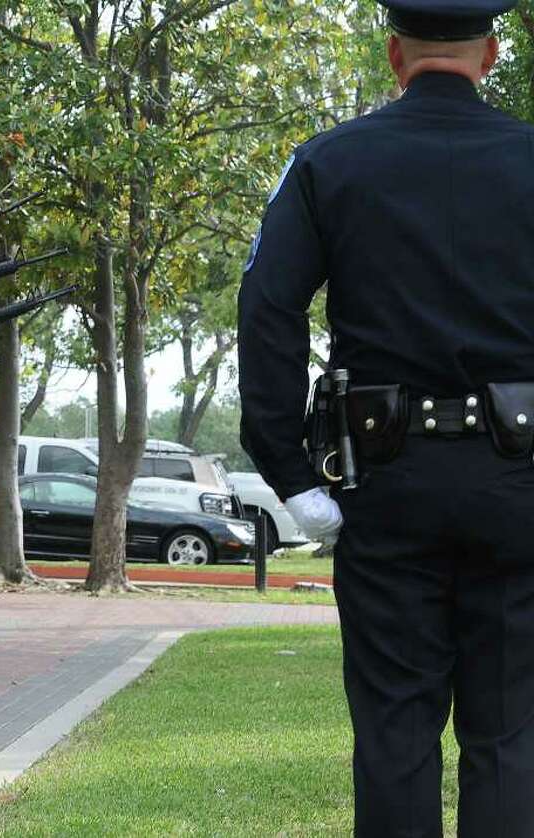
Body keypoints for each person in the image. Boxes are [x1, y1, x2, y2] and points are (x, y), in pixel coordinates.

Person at [237, 2, 534, 834]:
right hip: (519, 484)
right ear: (494, 52)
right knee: (510, 736)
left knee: (396, 730)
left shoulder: (330, 163)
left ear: (395, 52)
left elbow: (267, 311)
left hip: (386, 478)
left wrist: (290, 474)